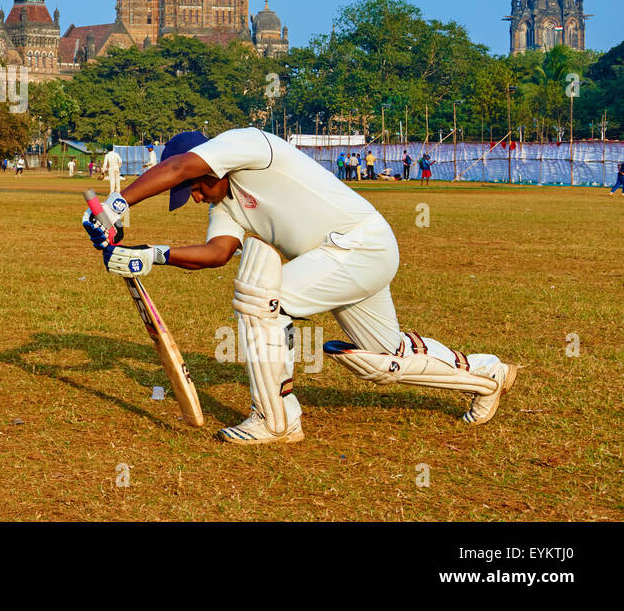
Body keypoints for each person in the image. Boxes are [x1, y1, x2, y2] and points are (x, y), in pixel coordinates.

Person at [82, 127, 518, 445]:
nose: (195, 196)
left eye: (193, 187)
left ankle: (277, 418)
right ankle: (487, 374)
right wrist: (153, 253)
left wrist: (116, 205)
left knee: (262, 301)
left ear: (209, 162)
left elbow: (179, 165)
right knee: (388, 359)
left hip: (360, 244)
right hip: (341, 257)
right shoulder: (226, 202)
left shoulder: (250, 144)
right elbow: (217, 253)